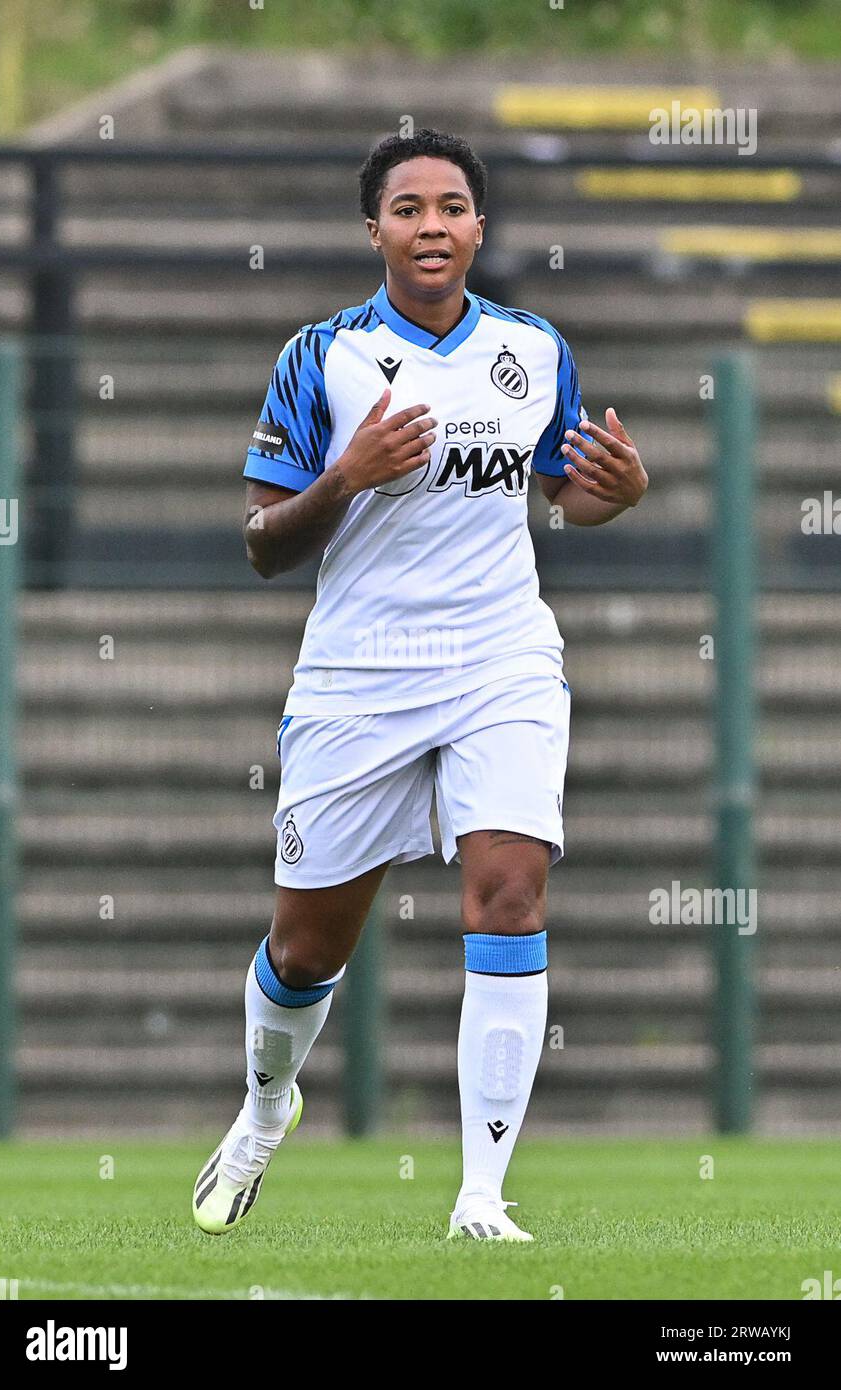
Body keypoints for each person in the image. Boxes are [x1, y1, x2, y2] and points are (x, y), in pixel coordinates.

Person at [193, 128, 648, 1242]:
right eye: (408, 209)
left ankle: (480, 1201)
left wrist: (617, 492)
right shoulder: (322, 358)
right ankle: (263, 1110)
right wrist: (347, 475)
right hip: (360, 672)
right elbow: (260, 543)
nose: (431, 226)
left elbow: (561, 495)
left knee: (508, 892)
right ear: (374, 231)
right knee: (307, 949)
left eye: (452, 207)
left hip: (502, 654)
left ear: (479, 228)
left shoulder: (534, 350)